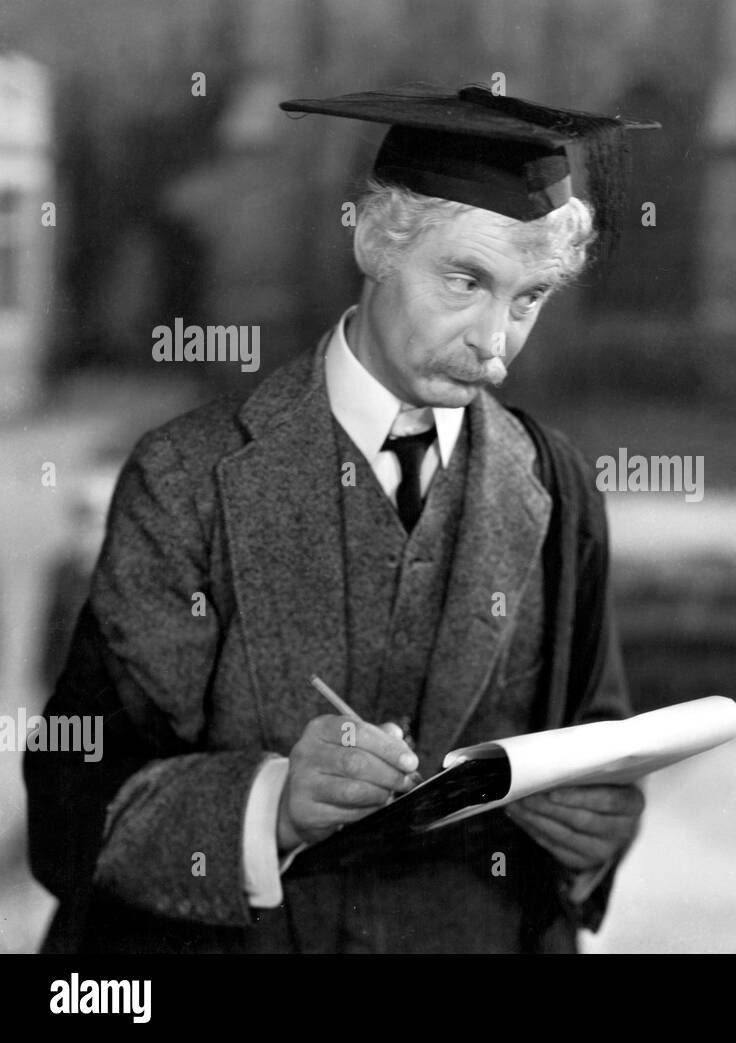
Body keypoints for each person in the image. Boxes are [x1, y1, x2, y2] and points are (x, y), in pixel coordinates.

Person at [25, 84, 658, 954]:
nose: (496, 343)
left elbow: (598, 742)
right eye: (466, 281)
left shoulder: (557, 486)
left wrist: (600, 830)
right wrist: (271, 803)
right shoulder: (185, 477)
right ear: (373, 240)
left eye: (528, 298)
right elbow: (73, 797)